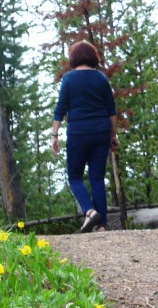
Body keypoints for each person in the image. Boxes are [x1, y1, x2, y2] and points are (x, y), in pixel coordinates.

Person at [51, 40, 119, 233]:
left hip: (78, 133)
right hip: (101, 132)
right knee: (97, 178)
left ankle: (89, 212)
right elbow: (111, 110)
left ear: (73, 58)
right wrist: (112, 136)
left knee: (74, 177)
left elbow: (61, 108)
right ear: (93, 57)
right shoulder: (101, 78)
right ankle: (101, 226)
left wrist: (54, 135)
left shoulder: (69, 79)